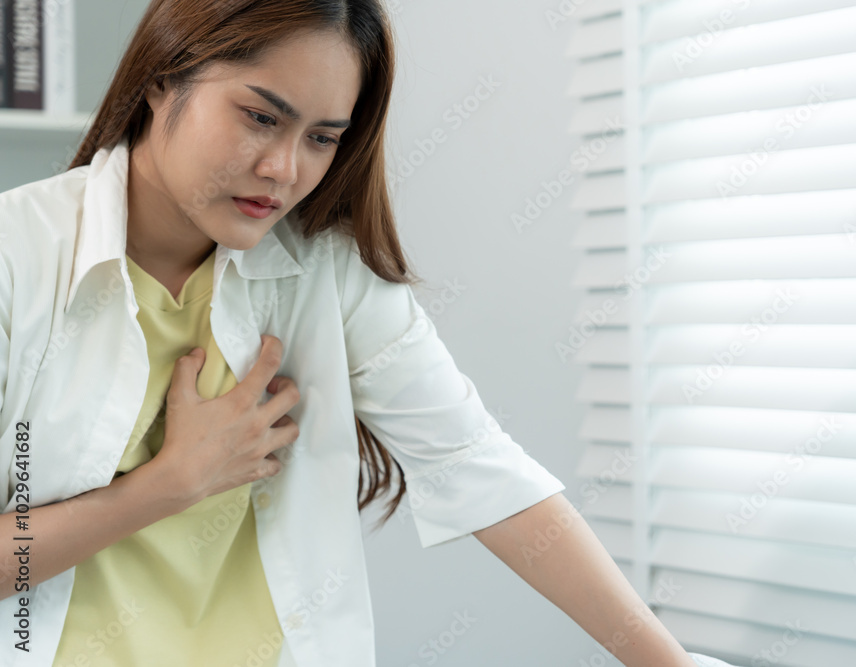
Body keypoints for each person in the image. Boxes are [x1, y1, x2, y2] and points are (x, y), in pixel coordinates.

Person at [0, 1, 719, 665]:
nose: (284, 169)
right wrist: (169, 485)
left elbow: (483, 469)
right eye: (259, 116)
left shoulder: (327, 274)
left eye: (321, 138)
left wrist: (667, 661)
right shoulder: (15, 256)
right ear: (164, 77)